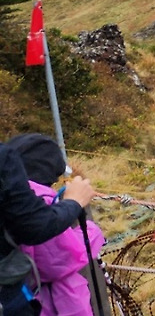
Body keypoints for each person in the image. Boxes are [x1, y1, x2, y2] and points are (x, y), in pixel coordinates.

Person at [10, 134, 106, 316]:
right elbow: (61, 258)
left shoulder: (10, 196)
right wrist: (92, 230)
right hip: (48, 303)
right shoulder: (39, 200)